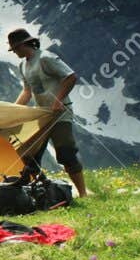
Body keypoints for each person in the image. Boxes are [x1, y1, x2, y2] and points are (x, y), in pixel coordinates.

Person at [7, 27, 86, 198]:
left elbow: (70, 76)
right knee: (30, 156)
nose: (14, 53)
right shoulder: (23, 65)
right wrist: (13, 109)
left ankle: (83, 193)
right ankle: (42, 192)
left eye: (15, 49)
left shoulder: (46, 58)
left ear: (22, 45)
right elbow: (27, 91)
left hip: (59, 114)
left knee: (66, 153)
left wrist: (59, 100)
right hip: (41, 115)